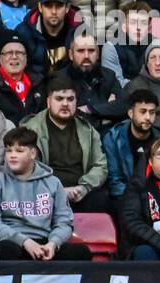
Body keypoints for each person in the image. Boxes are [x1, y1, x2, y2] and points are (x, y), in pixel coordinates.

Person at [0, 126, 94, 261]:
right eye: (8, 150)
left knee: (81, 252)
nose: (12, 155)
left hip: (45, 241)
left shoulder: (53, 182)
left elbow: (64, 222)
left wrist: (53, 243)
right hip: (12, 241)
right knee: (6, 250)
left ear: (33, 154)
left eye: (19, 151)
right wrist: (25, 242)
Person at [19, 75, 111, 215]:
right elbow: (27, 173)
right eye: (59, 99)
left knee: (105, 199)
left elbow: (100, 165)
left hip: (80, 192)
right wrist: (57, 191)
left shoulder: (87, 130)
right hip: (46, 193)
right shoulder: (31, 130)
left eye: (70, 99)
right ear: (48, 102)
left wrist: (84, 187)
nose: (65, 104)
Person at [103, 87, 160, 201]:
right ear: (131, 113)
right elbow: (115, 181)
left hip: (155, 197)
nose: (148, 117)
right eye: (143, 111)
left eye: (152, 112)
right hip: (124, 197)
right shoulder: (114, 138)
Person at [59, 30, 125, 133]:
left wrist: (90, 109)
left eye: (91, 50)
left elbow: (122, 107)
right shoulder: (59, 79)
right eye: (80, 51)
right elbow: (64, 117)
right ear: (71, 55)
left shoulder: (109, 76)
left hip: (107, 139)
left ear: (98, 54)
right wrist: (104, 116)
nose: (86, 56)